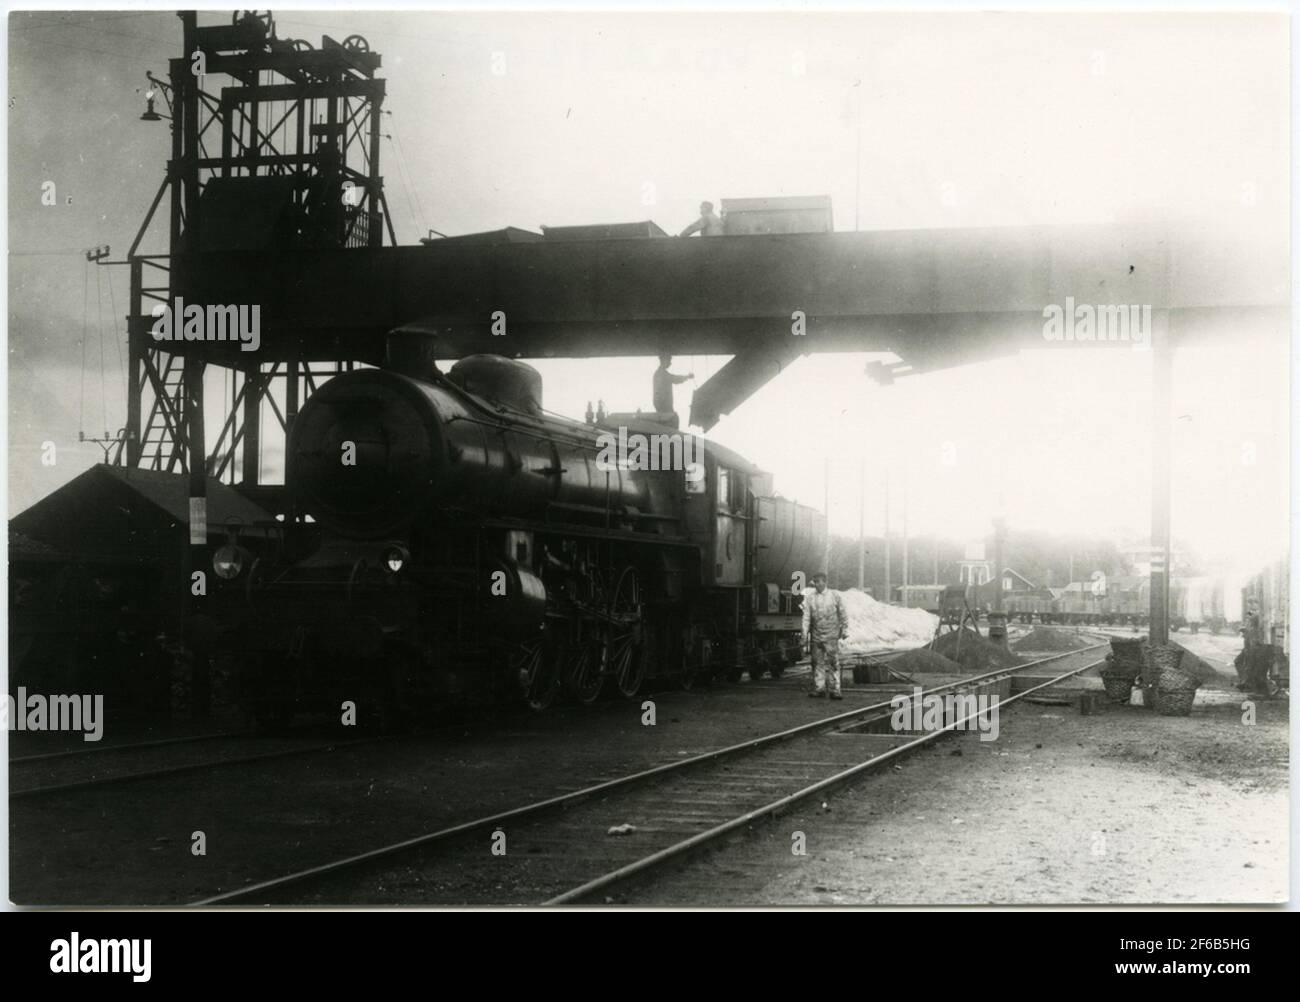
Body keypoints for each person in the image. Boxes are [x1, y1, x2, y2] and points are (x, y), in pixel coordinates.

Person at [802, 571, 847, 698]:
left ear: (825, 582)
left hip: (831, 635)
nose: (818, 584)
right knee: (817, 662)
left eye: (820, 581)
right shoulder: (810, 598)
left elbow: (843, 614)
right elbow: (806, 617)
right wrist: (804, 634)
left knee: (833, 662)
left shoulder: (834, 596)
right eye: (815, 582)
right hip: (816, 635)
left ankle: (835, 689)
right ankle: (819, 688)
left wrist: (845, 630)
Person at [652, 354, 693, 423]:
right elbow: (675, 379)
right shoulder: (662, 374)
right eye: (669, 361)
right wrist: (687, 377)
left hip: (661, 403)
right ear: (664, 361)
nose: (670, 363)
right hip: (664, 403)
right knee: (671, 421)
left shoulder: (659, 373)